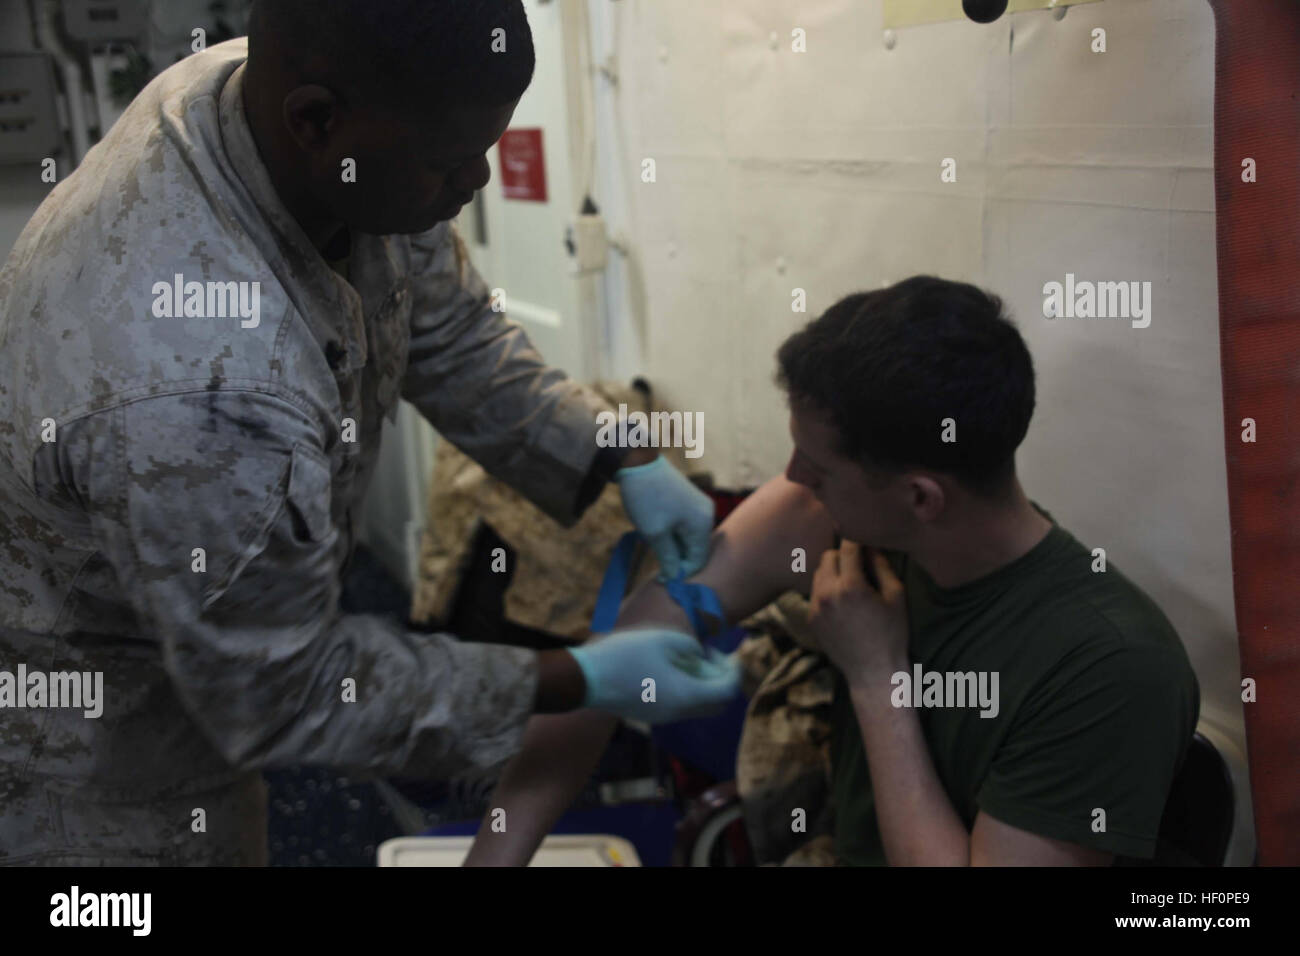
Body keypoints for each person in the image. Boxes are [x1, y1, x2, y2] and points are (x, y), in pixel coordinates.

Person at [0, 0, 733, 866]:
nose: (480, 182)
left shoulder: (275, 101)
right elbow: (281, 692)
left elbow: (445, 328)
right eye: (450, 162)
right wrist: (579, 679)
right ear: (313, 120)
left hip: (217, 631)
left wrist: (619, 450)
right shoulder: (199, 390)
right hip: (104, 756)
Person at [466, 276, 1201, 866]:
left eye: (816, 468)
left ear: (920, 497)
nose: (788, 477)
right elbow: (603, 680)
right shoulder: (831, 519)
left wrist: (878, 679)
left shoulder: (1108, 665)